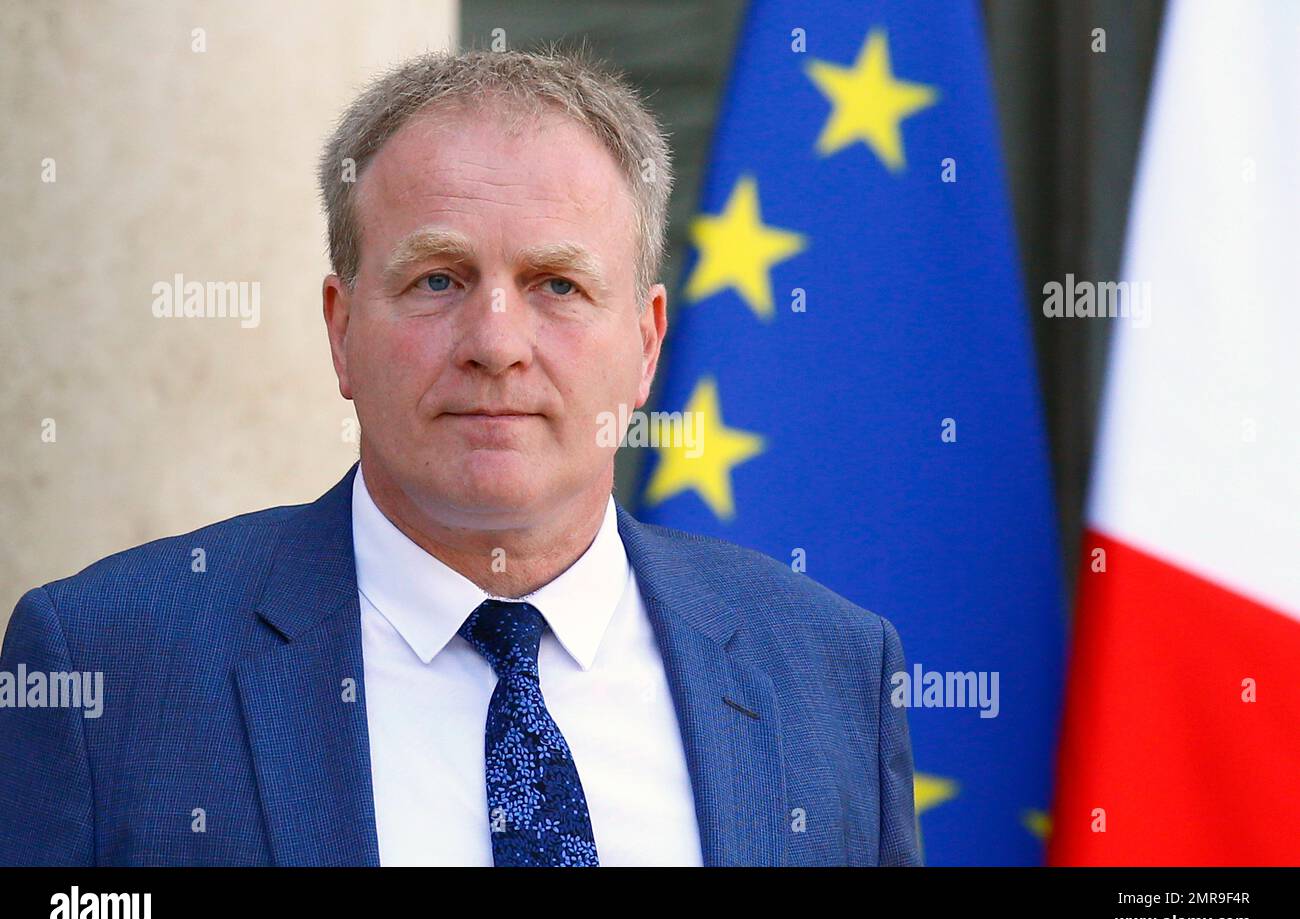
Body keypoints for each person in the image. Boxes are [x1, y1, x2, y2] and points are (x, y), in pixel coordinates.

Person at [0, 48, 920, 867]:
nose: (496, 341)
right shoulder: (106, 669)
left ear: (645, 345)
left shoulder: (830, 671)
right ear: (342, 328)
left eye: (556, 285)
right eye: (437, 278)